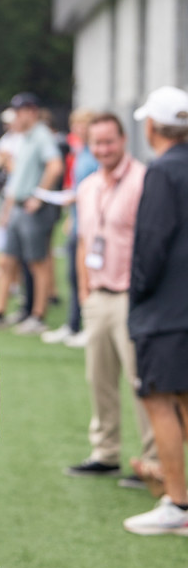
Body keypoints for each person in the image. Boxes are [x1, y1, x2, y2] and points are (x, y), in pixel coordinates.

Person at [63, 113, 155, 480]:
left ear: (124, 140)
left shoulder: (144, 181)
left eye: (109, 142)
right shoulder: (87, 186)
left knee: (141, 382)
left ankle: (154, 459)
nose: (103, 149)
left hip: (132, 295)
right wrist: (85, 290)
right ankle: (106, 451)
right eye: (97, 143)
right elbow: (84, 241)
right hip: (98, 295)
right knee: (98, 378)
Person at [123, 86, 188, 536]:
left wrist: (139, 294)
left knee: (159, 402)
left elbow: (151, 243)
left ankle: (179, 503)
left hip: (167, 310)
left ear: (152, 127)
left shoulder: (163, 171)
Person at [0, 92, 63, 334]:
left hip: (31, 209)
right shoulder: (22, 137)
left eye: (20, 112)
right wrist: (8, 210)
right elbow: (17, 177)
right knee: (8, 259)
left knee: (37, 263)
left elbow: (55, 166)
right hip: (17, 207)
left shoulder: (41, 136)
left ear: (31, 111)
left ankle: (38, 317)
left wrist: (39, 195)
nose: (16, 117)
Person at [41, 108, 98, 347]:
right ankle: (73, 324)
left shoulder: (96, 152)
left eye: (82, 124)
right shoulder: (81, 150)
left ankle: (88, 327)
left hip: (91, 224)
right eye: (75, 124)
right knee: (73, 276)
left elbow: (94, 188)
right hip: (77, 219)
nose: (77, 129)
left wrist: (74, 200)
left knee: (87, 277)